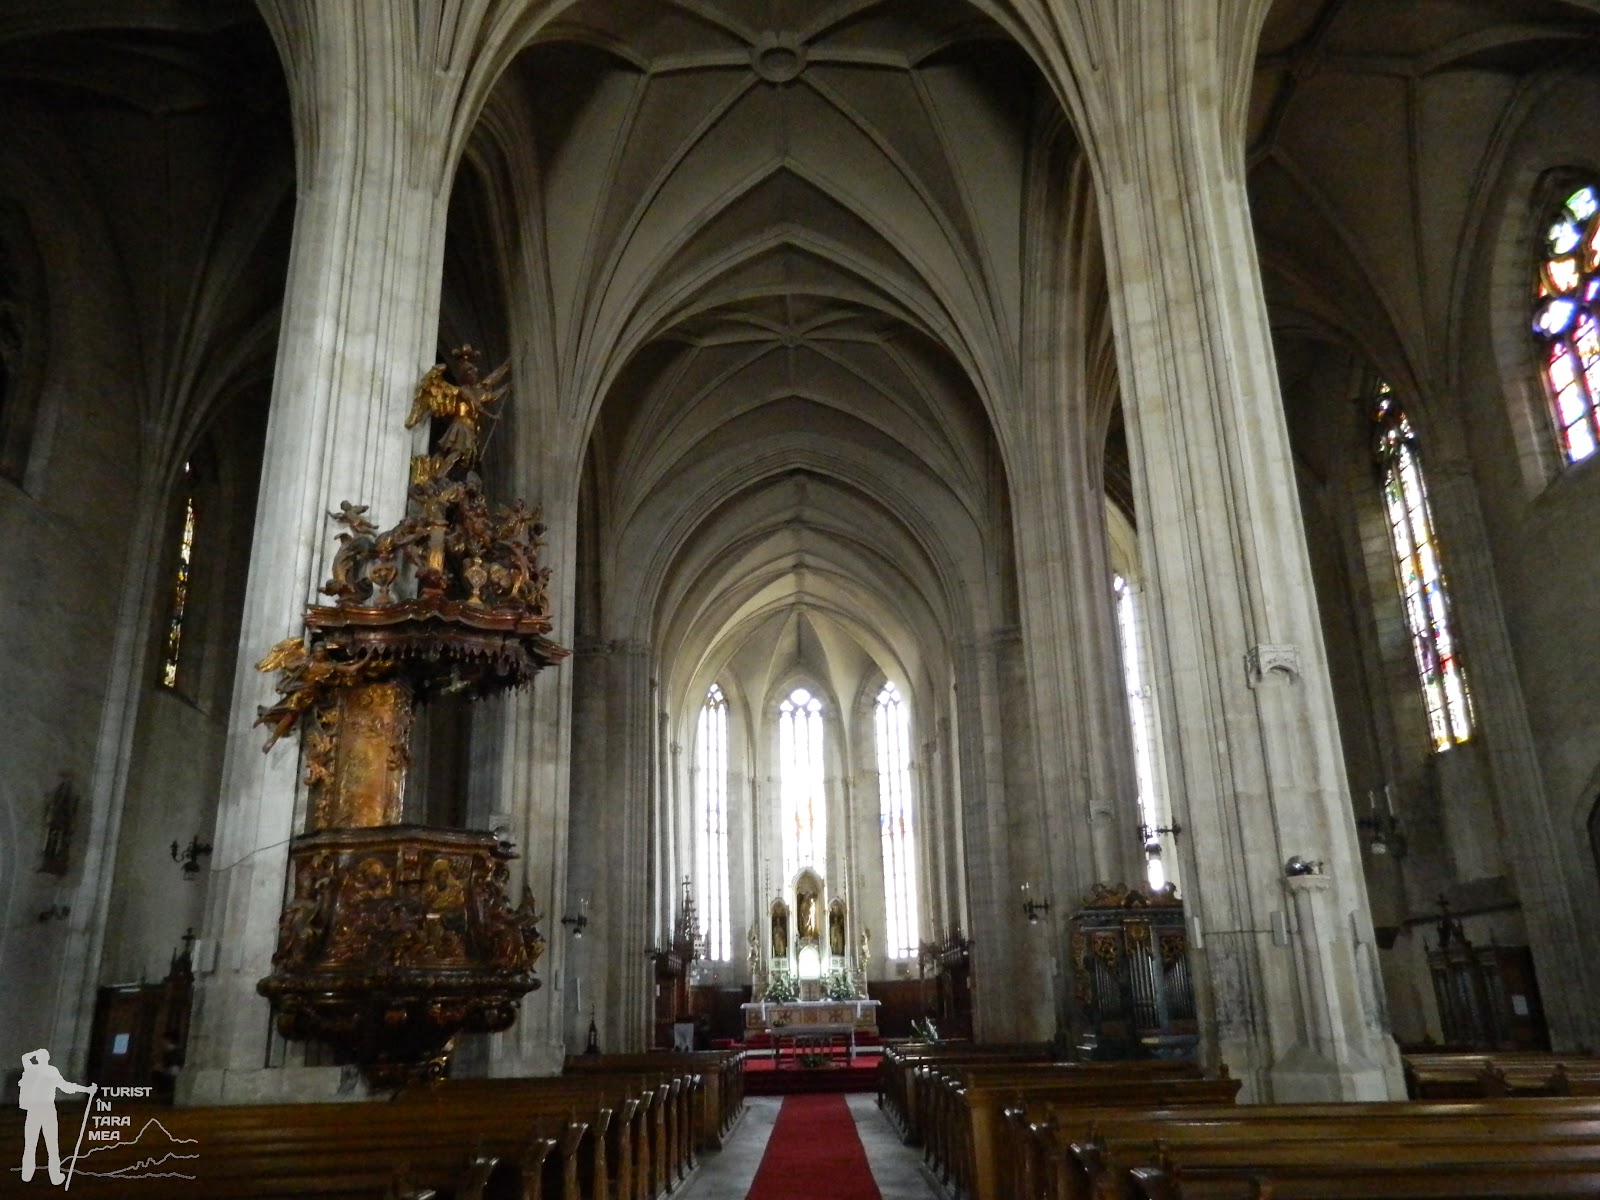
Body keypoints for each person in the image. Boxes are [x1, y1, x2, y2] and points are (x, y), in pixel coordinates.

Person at [18, 1049, 94, 1185]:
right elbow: (67, 1087)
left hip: (33, 1109)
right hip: (47, 1110)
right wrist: (86, 1089)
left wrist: (34, 1053)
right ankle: (54, 1176)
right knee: (52, 1145)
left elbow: (25, 1057)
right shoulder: (52, 1071)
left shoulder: (31, 1069)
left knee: (30, 1144)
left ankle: (27, 1174)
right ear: (47, 1059)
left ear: (37, 1059)